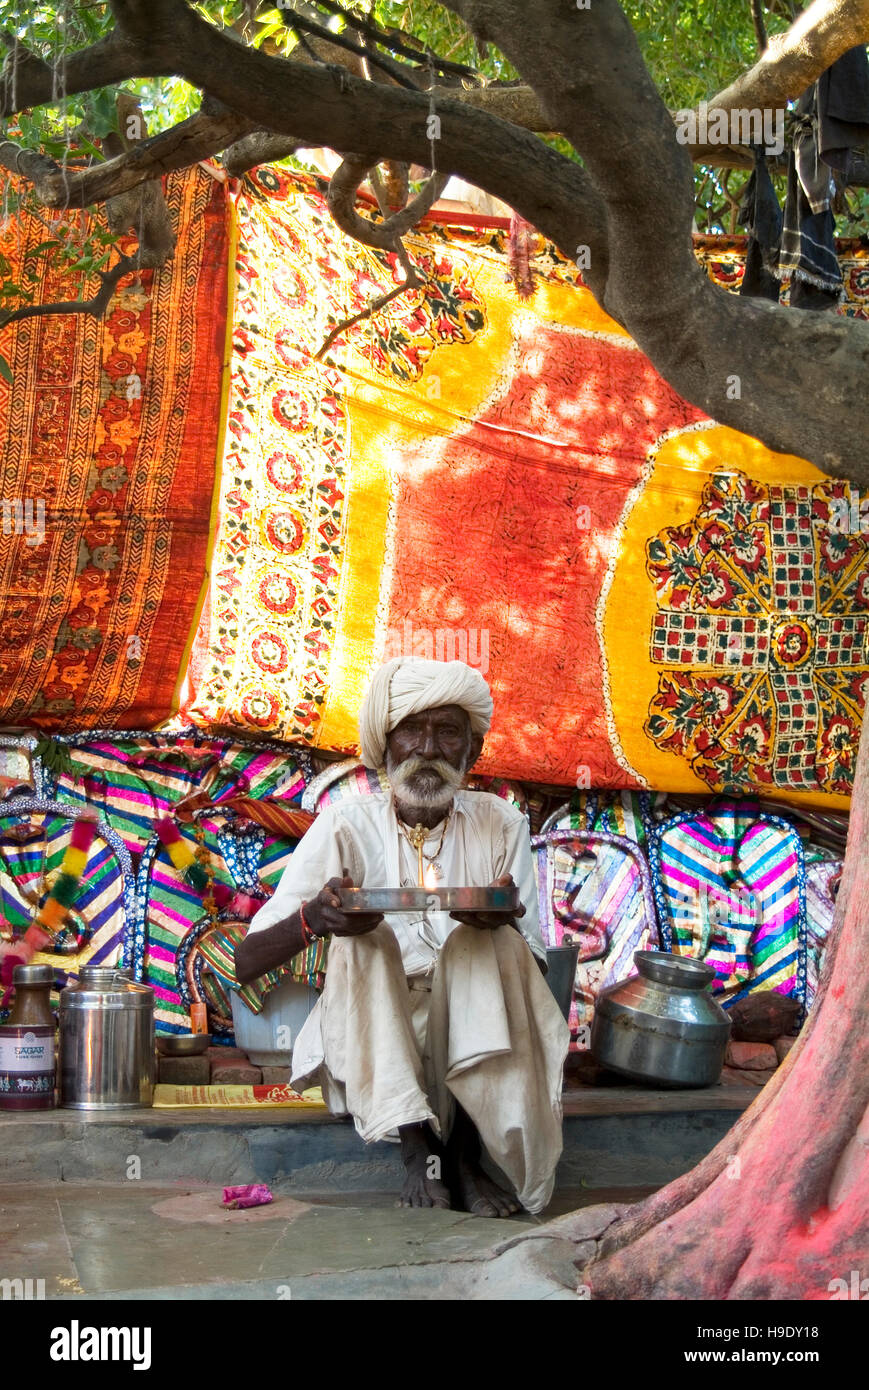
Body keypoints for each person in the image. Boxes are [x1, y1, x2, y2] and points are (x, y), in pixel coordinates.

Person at [235, 657, 569, 1216]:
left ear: (473, 752)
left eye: (447, 733)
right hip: (374, 1042)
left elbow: (533, 971)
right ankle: (418, 1153)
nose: (428, 749)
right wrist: (314, 920)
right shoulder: (345, 824)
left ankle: (463, 1159)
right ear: (384, 746)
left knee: (490, 942)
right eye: (411, 729)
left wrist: (499, 919)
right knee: (366, 938)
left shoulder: (501, 823)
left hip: (477, 1034)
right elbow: (247, 961)